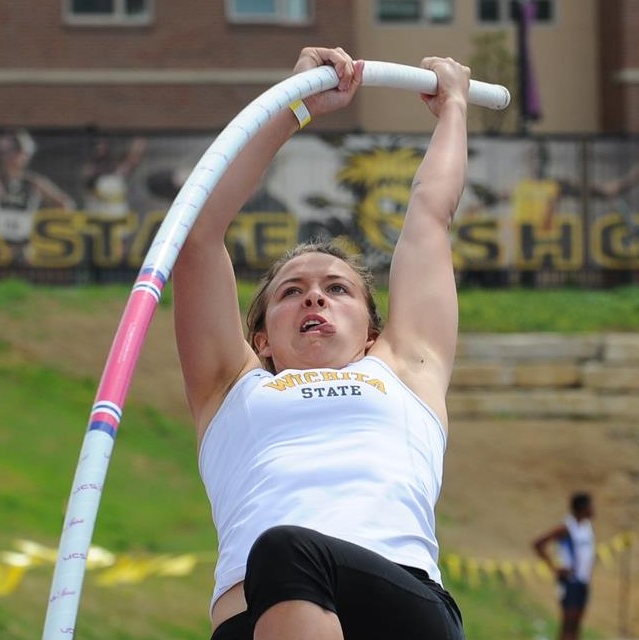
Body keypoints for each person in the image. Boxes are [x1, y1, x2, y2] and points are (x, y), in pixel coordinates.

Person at [172, 46, 468, 640]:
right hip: (253, 620)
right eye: (291, 293)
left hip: (397, 608)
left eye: (337, 289)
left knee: (286, 550)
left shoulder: (406, 370)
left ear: (372, 334)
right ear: (259, 339)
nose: (314, 299)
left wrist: (454, 108)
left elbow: (430, 215)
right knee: (282, 555)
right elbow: (198, 235)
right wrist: (293, 104)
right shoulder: (230, 388)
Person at [0, 128, 76, 265]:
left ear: (26, 154)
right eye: (7, 152)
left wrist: (43, 229)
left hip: (25, 247)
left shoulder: (33, 182)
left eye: (16, 151)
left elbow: (66, 205)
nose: (12, 157)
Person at [532, 491, 596, 640]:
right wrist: (554, 567)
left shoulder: (586, 528)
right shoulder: (567, 528)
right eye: (591, 506)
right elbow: (538, 544)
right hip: (570, 582)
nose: (594, 509)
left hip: (582, 581)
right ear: (582, 507)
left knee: (577, 625)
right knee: (568, 624)